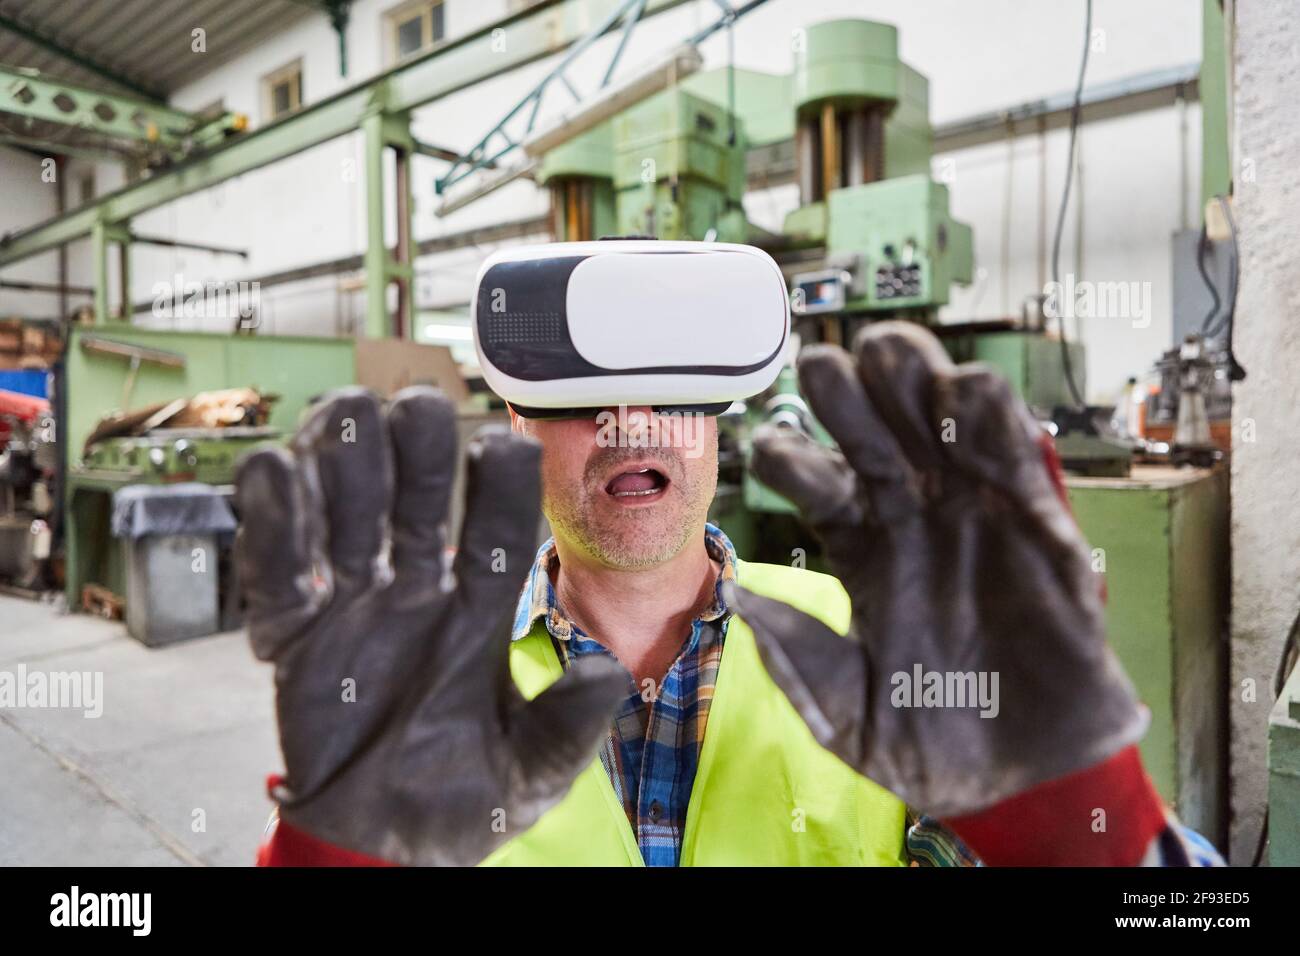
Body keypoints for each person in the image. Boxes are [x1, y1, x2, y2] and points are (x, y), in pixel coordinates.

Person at [238, 320, 1221, 867]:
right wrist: (325, 861)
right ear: (517, 420)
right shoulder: (424, 689)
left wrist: (1077, 815)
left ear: (713, 423)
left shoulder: (872, 644)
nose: (629, 419)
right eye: (582, 395)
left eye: (667, 383)